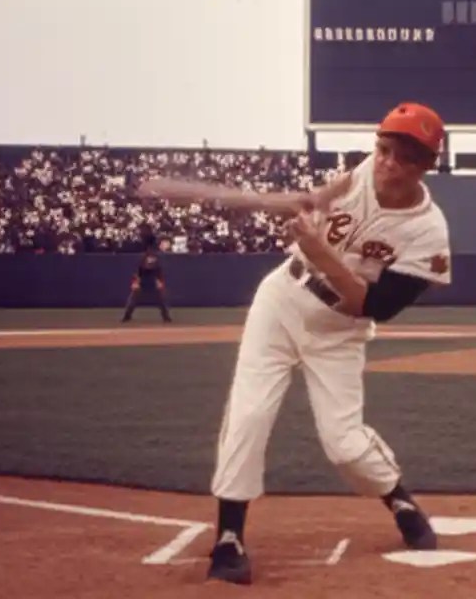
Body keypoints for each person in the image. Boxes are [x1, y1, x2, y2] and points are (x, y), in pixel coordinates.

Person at [138, 102, 452, 586]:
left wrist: (319, 250)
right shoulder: (364, 170)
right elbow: (316, 198)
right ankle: (229, 537)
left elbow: (372, 306)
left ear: (428, 165)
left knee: (344, 445)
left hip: (338, 330)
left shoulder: (429, 233)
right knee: (248, 414)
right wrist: (280, 201)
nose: (390, 163)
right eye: (386, 149)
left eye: (407, 157)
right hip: (281, 301)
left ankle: (397, 496)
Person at [121, 243, 173, 323]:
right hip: (143, 281)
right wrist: (136, 283)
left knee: (161, 299)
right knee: (132, 299)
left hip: (153, 281)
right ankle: (127, 316)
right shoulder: (142, 261)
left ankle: (166, 317)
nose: (151, 258)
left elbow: (159, 274)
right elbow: (137, 273)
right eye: (149, 255)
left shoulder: (157, 262)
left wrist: (160, 282)